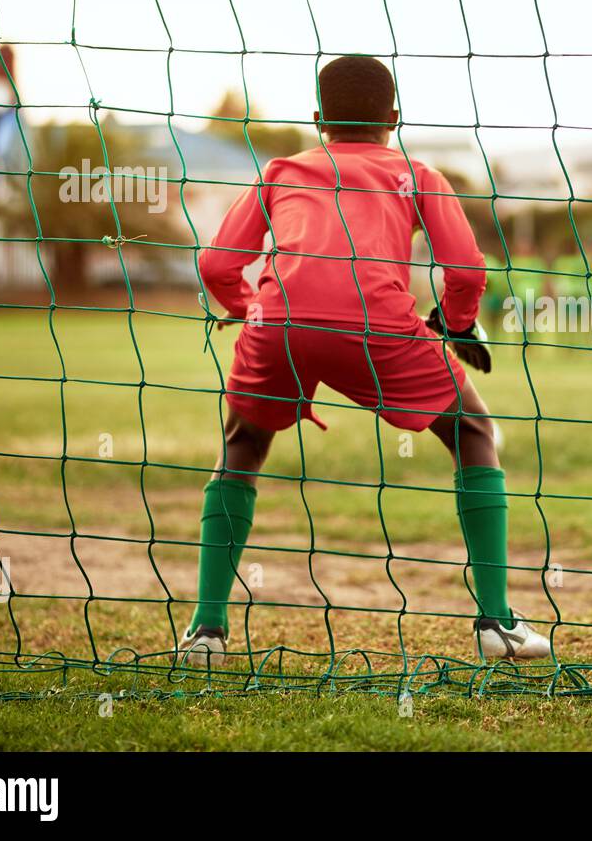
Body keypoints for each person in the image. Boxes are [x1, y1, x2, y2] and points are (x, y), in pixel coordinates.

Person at [186, 55, 550, 667]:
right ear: (396, 118)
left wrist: (246, 307)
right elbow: (464, 270)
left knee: (242, 446)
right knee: (473, 431)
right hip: (378, 324)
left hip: (279, 322)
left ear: (317, 119)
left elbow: (217, 265)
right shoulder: (418, 174)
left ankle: (206, 634)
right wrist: (457, 324)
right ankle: (496, 625)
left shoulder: (280, 170)